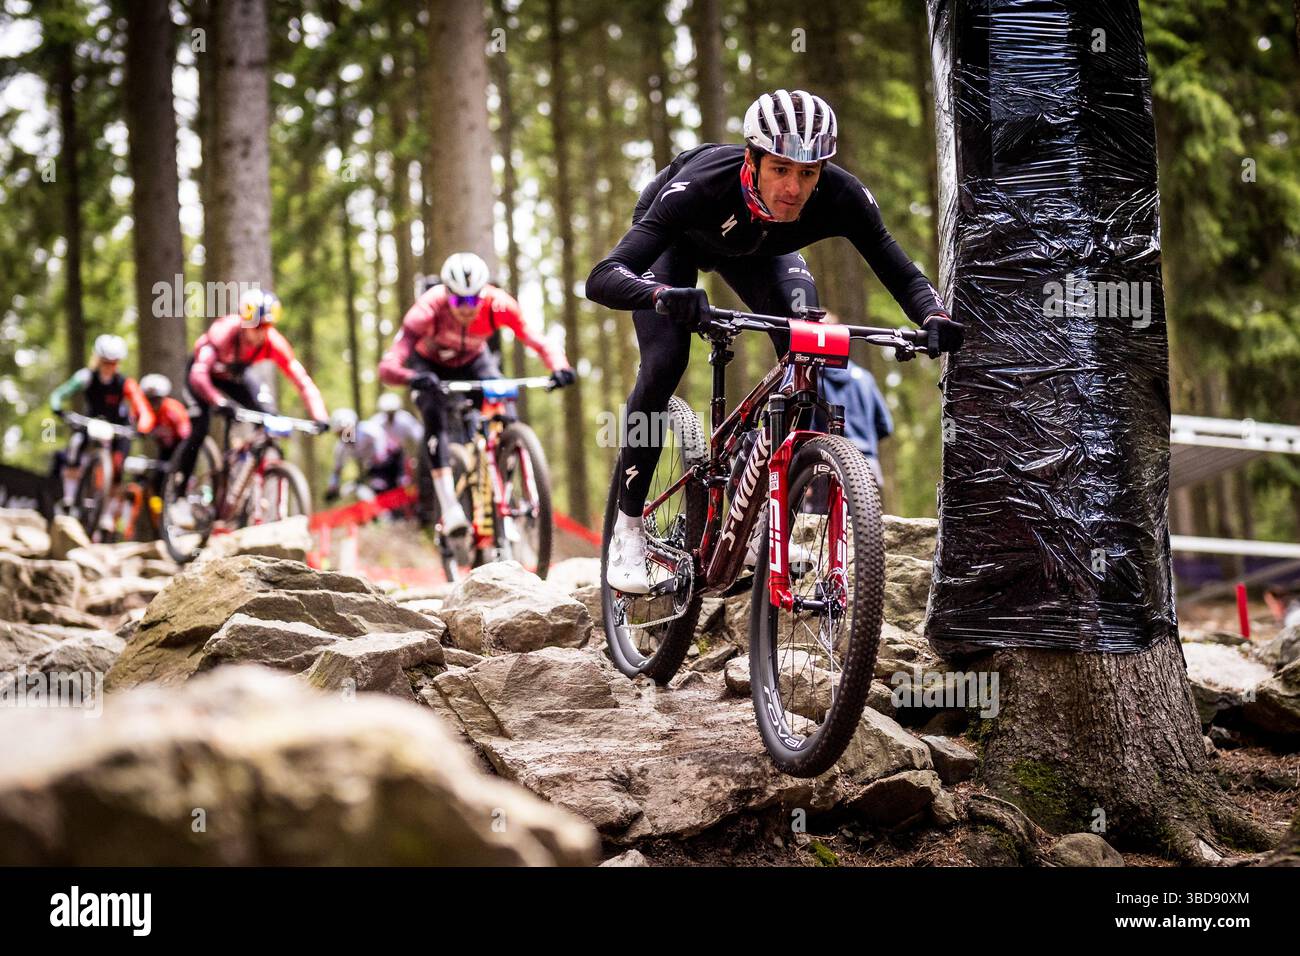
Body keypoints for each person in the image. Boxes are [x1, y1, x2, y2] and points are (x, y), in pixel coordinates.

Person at [586, 88, 963, 593]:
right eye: (781, 169)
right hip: (676, 245)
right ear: (753, 158)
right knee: (665, 362)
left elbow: (899, 269)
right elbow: (603, 277)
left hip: (759, 252)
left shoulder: (841, 195)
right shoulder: (700, 187)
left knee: (807, 348)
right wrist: (660, 295)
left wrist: (933, 315)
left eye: (808, 174)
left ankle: (768, 513)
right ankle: (628, 530)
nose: (793, 188)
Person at [379, 252, 577, 535]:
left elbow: (538, 339)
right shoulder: (427, 309)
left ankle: (504, 495)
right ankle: (449, 507)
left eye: (474, 299)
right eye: (459, 300)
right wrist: (412, 377)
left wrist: (560, 366)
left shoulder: (499, 304)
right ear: (446, 293)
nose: (467, 308)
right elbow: (388, 366)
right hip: (429, 366)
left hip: (474, 360)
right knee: (434, 418)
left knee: (506, 410)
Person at [175, 289, 329, 486]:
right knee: (200, 427)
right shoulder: (224, 332)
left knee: (268, 415)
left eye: (266, 325)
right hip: (201, 377)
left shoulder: (273, 342)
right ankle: (179, 487)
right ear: (243, 322)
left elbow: (302, 380)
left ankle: (250, 478)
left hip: (233, 376)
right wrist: (218, 401)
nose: (261, 332)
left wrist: (320, 416)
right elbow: (199, 373)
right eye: (256, 325)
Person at [50, 334, 155, 518]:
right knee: (74, 446)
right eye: (106, 362)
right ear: (98, 360)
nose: (109, 367)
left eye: (114, 363)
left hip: (118, 427)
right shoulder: (86, 377)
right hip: (91, 422)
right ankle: (69, 497)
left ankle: (107, 514)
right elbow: (59, 394)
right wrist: (58, 408)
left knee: (118, 467)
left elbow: (143, 408)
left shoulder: (125, 383)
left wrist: (143, 426)